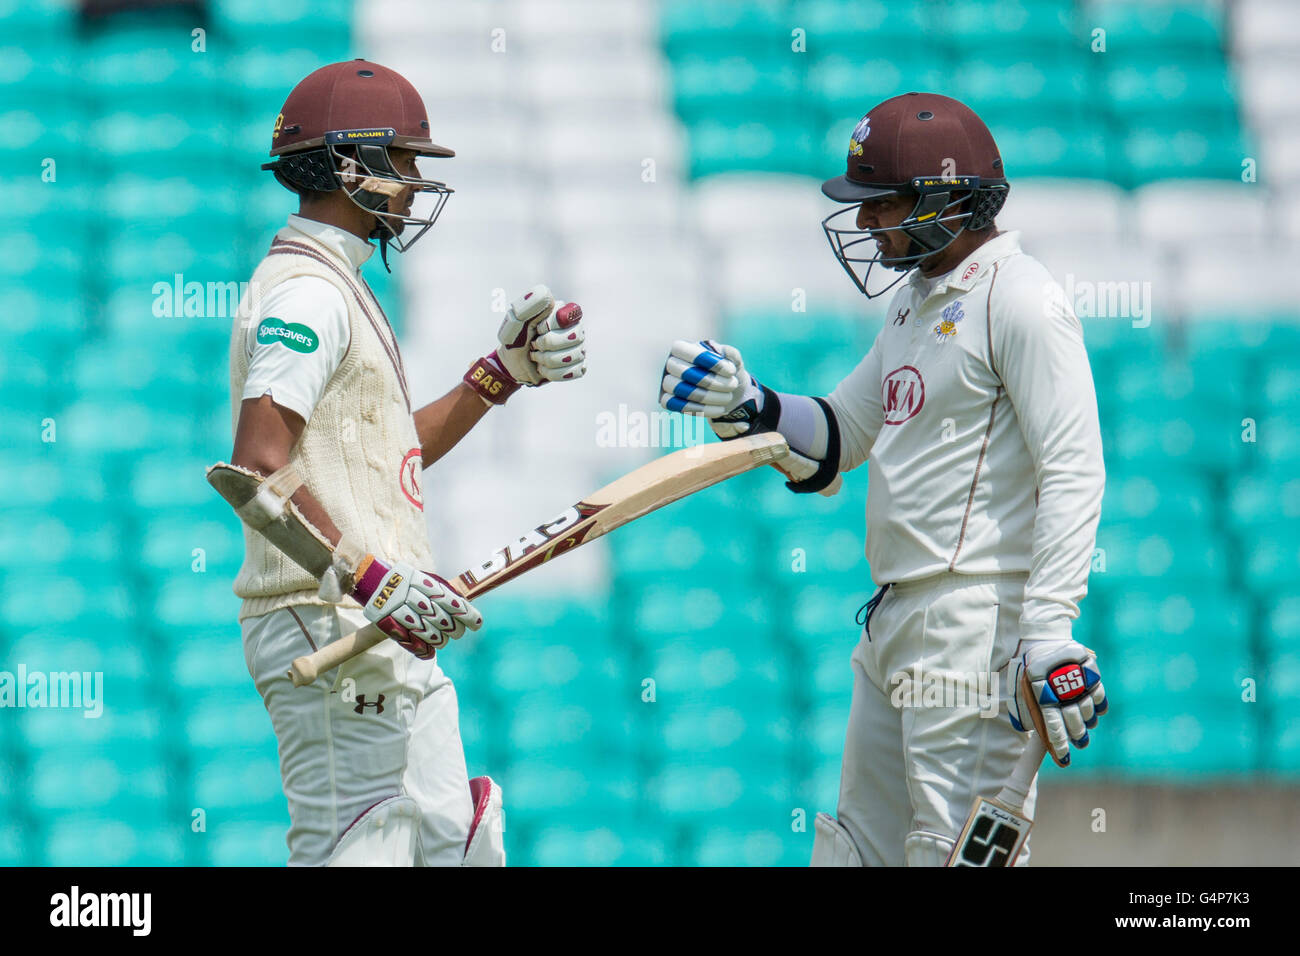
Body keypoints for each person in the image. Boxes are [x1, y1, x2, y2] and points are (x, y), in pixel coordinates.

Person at [659, 92, 1107, 866]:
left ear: (948, 200)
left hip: (974, 622)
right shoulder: (917, 304)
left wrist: (1048, 634)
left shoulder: (1022, 298)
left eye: (883, 204)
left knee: (946, 852)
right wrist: (750, 404)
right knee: (855, 853)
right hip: (895, 618)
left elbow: (1073, 470)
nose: (866, 226)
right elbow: (840, 431)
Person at [208, 59, 587, 866]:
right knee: (359, 851)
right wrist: (370, 577)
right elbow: (256, 464)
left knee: (460, 845)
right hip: (327, 612)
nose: (416, 183)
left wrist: (499, 377)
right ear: (352, 164)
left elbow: (384, 457)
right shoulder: (305, 291)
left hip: (373, 617)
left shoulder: (334, 283)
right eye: (406, 162)